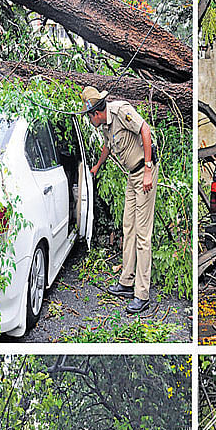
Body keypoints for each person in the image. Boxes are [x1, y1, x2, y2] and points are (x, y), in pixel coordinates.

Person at [82, 86, 159, 315]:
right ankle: (126, 282)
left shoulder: (120, 111)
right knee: (129, 227)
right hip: (131, 176)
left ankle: (142, 294)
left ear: (96, 112)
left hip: (144, 173)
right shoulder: (106, 125)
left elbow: (145, 130)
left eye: (89, 116)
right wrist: (97, 165)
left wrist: (147, 169)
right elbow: (108, 145)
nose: (89, 120)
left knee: (143, 235)